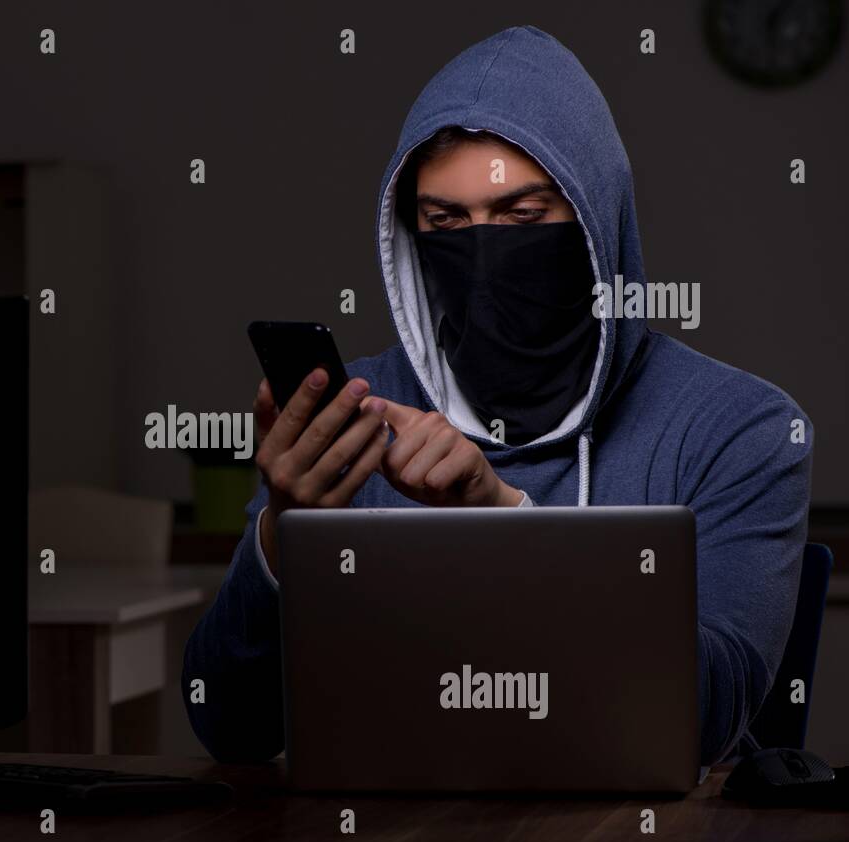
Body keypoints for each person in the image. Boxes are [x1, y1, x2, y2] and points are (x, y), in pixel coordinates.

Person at [181, 26, 812, 768]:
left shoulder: (741, 429)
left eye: (521, 217)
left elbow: (704, 717)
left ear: (596, 227)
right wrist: (284, 534)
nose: (484, 256)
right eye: (446, 222)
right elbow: (228, 724)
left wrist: (502, 520)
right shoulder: (354, 418)